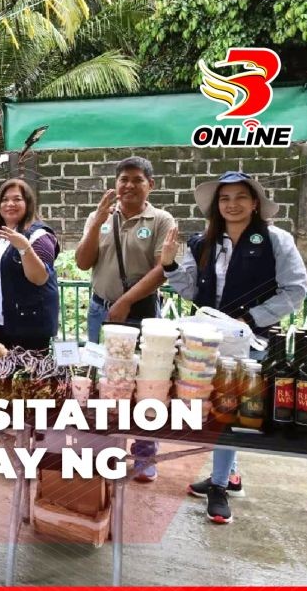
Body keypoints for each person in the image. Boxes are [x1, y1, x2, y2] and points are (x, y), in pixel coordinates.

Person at [160, 171, 307, 524]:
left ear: (255, 202)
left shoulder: (275, 240)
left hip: (251, 342)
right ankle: (228, 472)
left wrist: (252, 317)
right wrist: (168, 263)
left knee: (227, 412)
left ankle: (220, 485)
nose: (232, 204)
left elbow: (295, 289)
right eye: (225, 199)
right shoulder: (203, 242)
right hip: (209, 341)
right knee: (218, 409)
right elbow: (192, 290)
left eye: (241, 197)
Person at [74, 156, 176, 482]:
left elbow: (163, 269)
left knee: (145, 385)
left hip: (141, 314)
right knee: (105, 381)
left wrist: (126, 302)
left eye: (136, 179)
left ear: (150, 185)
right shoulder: (100, 216)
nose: (128, 185)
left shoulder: (161, 219)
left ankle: (145, 454)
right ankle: (107, 451)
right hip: (99, 311)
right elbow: (81, 261)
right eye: (123, 179)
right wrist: (98, 221)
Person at [0, 179, 60, 351]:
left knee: (27, 376)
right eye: (4, 199)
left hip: (30, 327)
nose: (10, 204)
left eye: (17, 199)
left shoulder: (40, 235)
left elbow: (39, 278)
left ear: (28, 203)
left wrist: (24, 248)